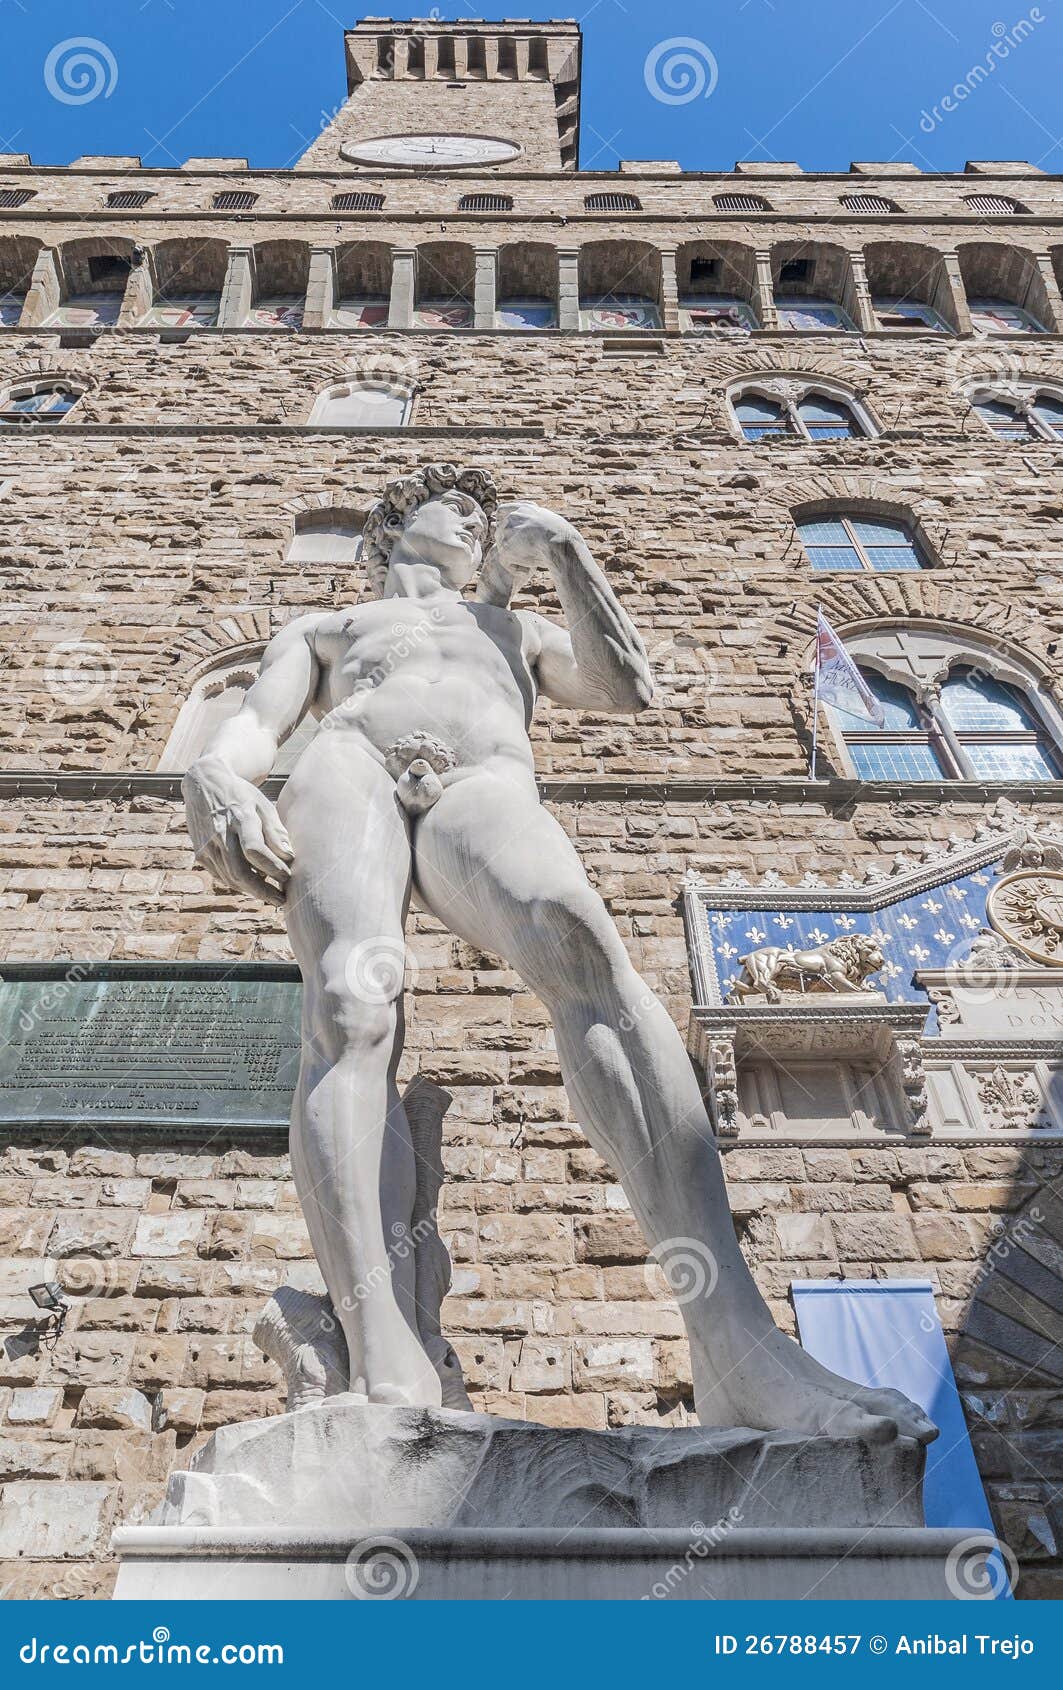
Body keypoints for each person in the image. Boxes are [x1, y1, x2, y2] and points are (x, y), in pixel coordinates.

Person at [183, 463, 935, 1444]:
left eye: (484, 517)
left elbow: (625, 687)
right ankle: (382, 1360)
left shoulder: (516, 631)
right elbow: (255, 724)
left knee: (579, 941)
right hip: (349, 767)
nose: (474, 522)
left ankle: (737, 1344)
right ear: (394, 525)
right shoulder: (327, 629)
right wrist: (214, 773)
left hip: (485, 779)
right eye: (457, 507)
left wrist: (570, 555)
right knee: (349, 1007)